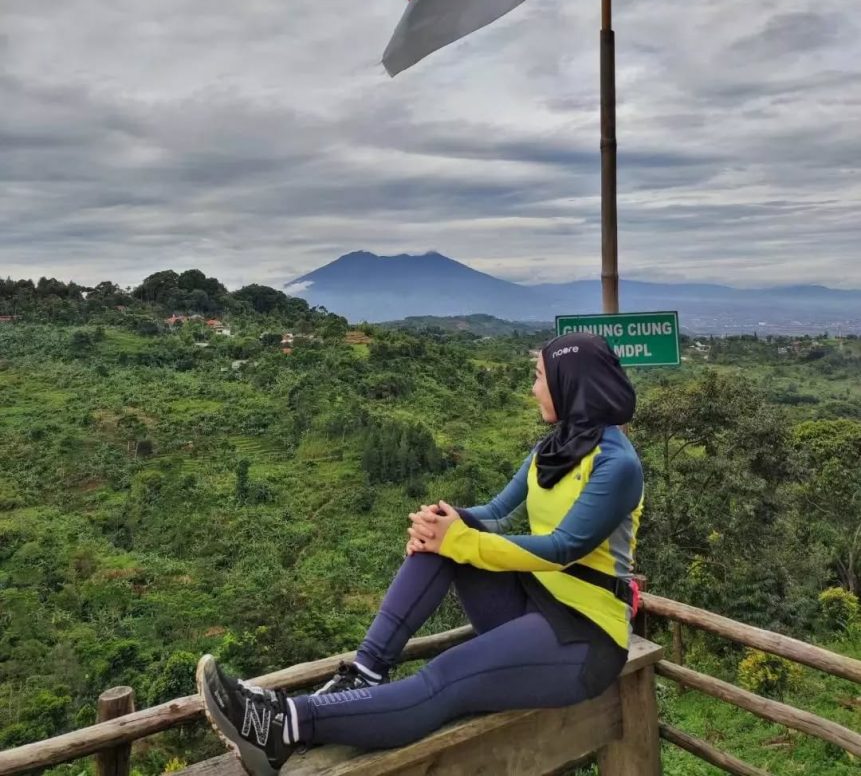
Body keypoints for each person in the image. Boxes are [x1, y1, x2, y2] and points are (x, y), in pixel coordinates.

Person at [196, 332, 644, 776]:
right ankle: (366, 671)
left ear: (571, 382)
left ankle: (286, 724)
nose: (532, 388)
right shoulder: (551, 448)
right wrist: (441, 523)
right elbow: (498, 515)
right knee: (446, 534)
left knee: (443, 680)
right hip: (532, 603)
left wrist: (457, 538)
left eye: (540, 376)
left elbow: (564, 548)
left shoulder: (616, 465)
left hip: (584, 636)